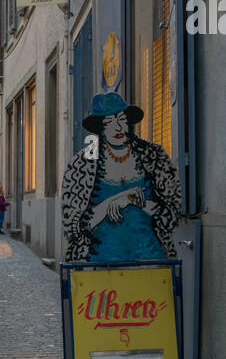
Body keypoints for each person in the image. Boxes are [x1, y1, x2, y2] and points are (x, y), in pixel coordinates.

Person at [62, 92, 181, 262]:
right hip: (98, 271)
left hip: (152, 264)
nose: (117, 127)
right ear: (100, 127)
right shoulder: (81, 165)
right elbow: (74, 228)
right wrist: (118, 198)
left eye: (121, 119)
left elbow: (171, 216)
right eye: (109, 122)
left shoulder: (154, 156)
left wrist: (133, 200)